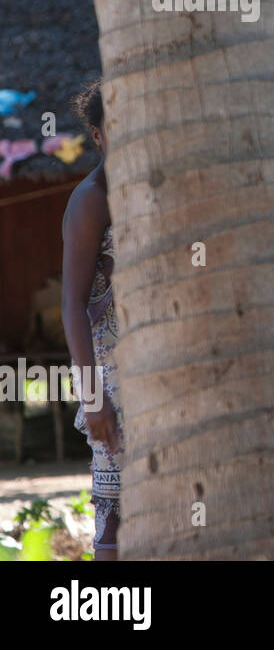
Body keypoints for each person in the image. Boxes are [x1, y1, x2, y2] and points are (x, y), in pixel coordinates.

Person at [59, 79, 124, 560]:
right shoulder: (92, 199)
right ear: (98, 136)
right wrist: (95, 398)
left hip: (163, 372)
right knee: (115, 513)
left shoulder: (150, 194)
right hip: (113, 383)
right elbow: (73, 303)